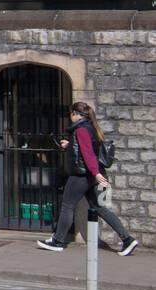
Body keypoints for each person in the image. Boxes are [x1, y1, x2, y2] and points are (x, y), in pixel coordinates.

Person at [37, 101, 138, 255]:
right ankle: (127, 240)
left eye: (71, 113)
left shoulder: (81, 130)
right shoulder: (91, 128)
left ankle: (58, 241)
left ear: (76, 114)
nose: (70, 116)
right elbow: (86, 148)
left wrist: (95, 173)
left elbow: (88, 154)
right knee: (100, 208)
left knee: (67, 206)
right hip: (92, 175)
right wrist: (69, 145)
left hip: (82, 175)